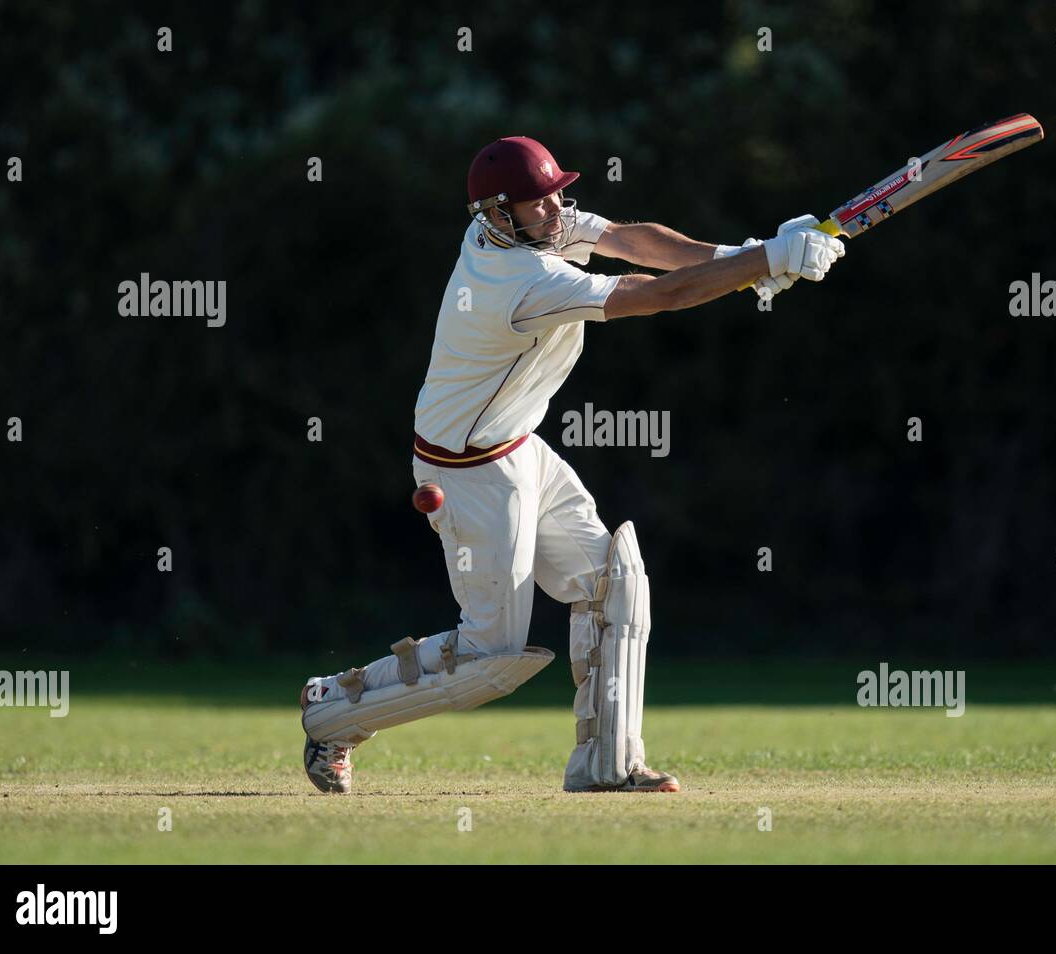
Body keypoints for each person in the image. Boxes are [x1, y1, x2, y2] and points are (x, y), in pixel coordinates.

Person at [299, 136, 845, 794]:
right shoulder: (522, 282)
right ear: (499, 215)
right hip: (466, 475)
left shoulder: (532, 229)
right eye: (539, 201)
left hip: (518, 446)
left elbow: (634, 241)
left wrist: (746, 256)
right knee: (490, 655)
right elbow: (658, 296)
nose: (556, 207)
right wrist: (764, 262)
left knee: (611, 582)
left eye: (558, 191)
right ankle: (332, 710)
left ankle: (606, 763)